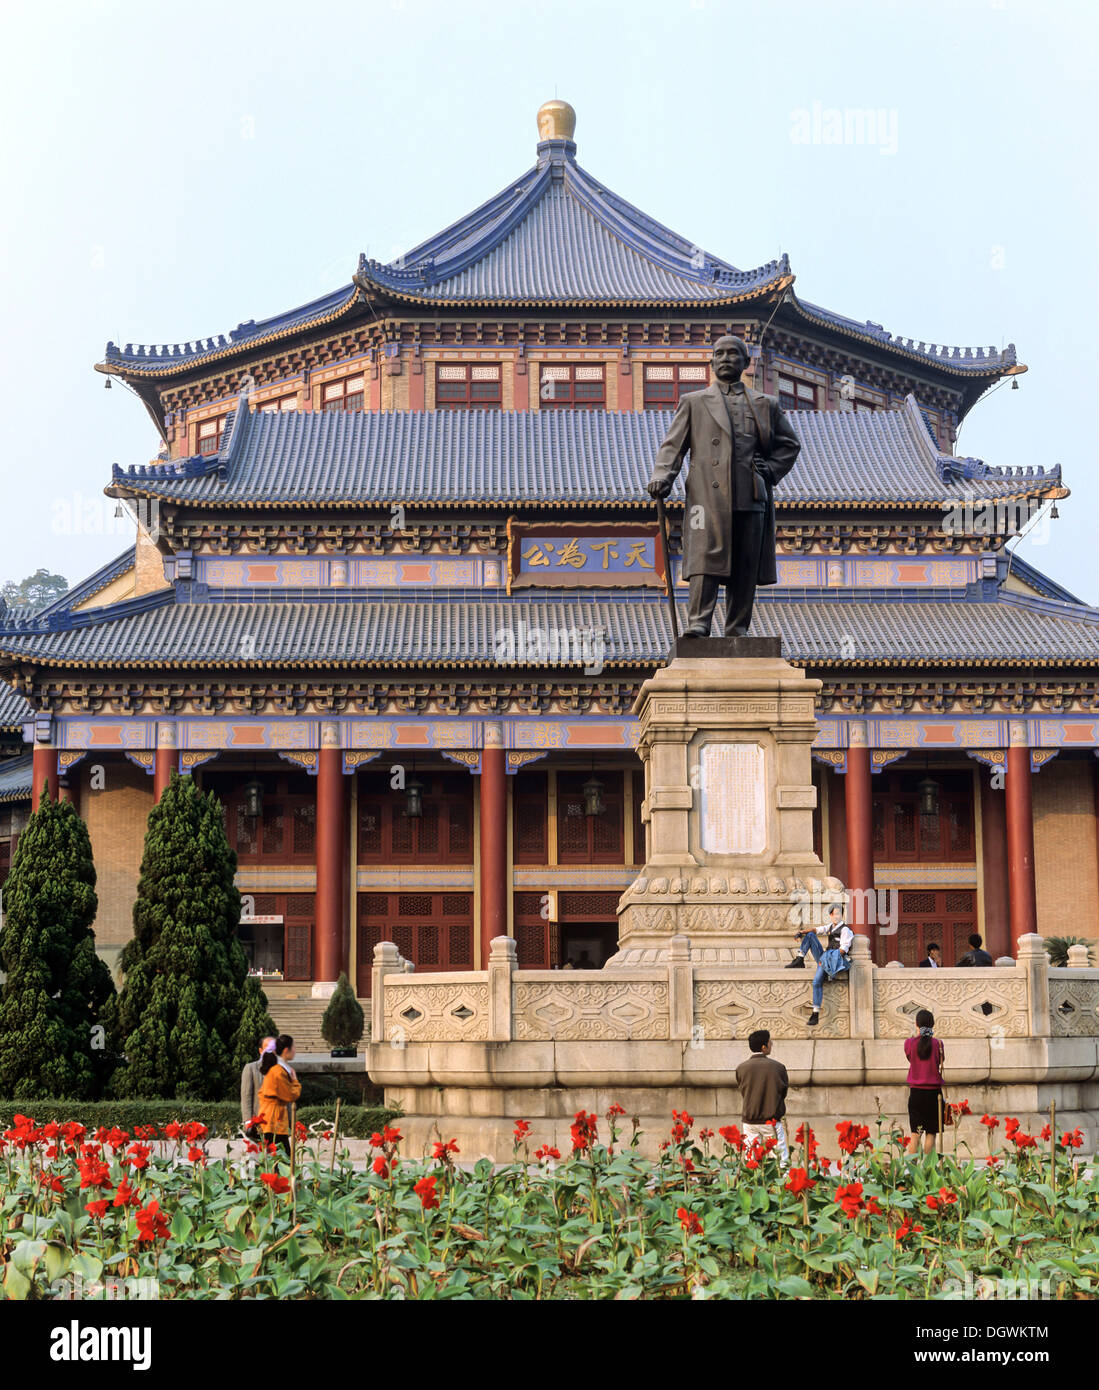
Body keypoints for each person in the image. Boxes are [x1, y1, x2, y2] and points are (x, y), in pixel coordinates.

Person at [646, 335, 801, 637]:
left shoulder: (765, 404)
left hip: (750, 494)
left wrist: (768, 471)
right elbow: (672, 446)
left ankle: (737, 628)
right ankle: (698, 623)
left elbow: (790, 445)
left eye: (734, 353)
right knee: (704, 558)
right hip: (706, 497)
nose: (727, 358)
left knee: (745, 563)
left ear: (746, 362)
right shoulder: (693, 402)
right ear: (712, 362)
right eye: (720, 354)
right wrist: (663, 475)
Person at [785, 903, 853, 1027]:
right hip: (825, 957)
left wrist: (828, 959)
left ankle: (815, 1013)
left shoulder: (845, 930)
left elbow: (844, 949)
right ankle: (800, 959)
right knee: (810, 935)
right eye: (833, 914)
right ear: (830, 915)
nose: (836, 916)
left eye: (838, 913)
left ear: (841, 915)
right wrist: (802, 932)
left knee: (817, 981)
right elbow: (818, 930)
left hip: (833, 960)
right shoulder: (831, 927)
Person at [735, 1029, 789, 1166]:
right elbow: (783, 1093)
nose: (772, 1044)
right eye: (770, 1042)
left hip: (749, 1120)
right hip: (771, 1121)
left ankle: (752, 1185)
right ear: (764, 1047)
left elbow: (743, 1091)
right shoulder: (778, 1068)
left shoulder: (741, 1068)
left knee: (751, 1160)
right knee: (780, 1161)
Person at [904, 1009, 945, 1155]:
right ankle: (929, 1170)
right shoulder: (938, 1044)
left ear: (916, 1024)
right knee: (931, 1133)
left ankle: (912, 1169)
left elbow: (910, 1058)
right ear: (933, 1024)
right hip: (934, 1094)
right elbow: (940, 1062)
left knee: (915, 1134)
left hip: (916, 1093)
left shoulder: (909, 1043)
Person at [258, 1033, 301, 1155]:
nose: (295, 1051)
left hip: (273, 1118)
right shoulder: (278, 1071)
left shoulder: (277, 1069)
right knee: (282, 1159)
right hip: (273, 1120)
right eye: (294, 1048)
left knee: (279, 1157)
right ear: (286, 1050)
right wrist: (295, 1082)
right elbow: (290, 1095)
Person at [240, 1034, 274, 1140]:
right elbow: (246, 1097)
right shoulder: (251, 1068)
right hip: (258, 1124)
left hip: (278, 1124)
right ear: (261, 1051)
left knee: (281, 1155)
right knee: (259, 1154)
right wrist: (248, 1121)